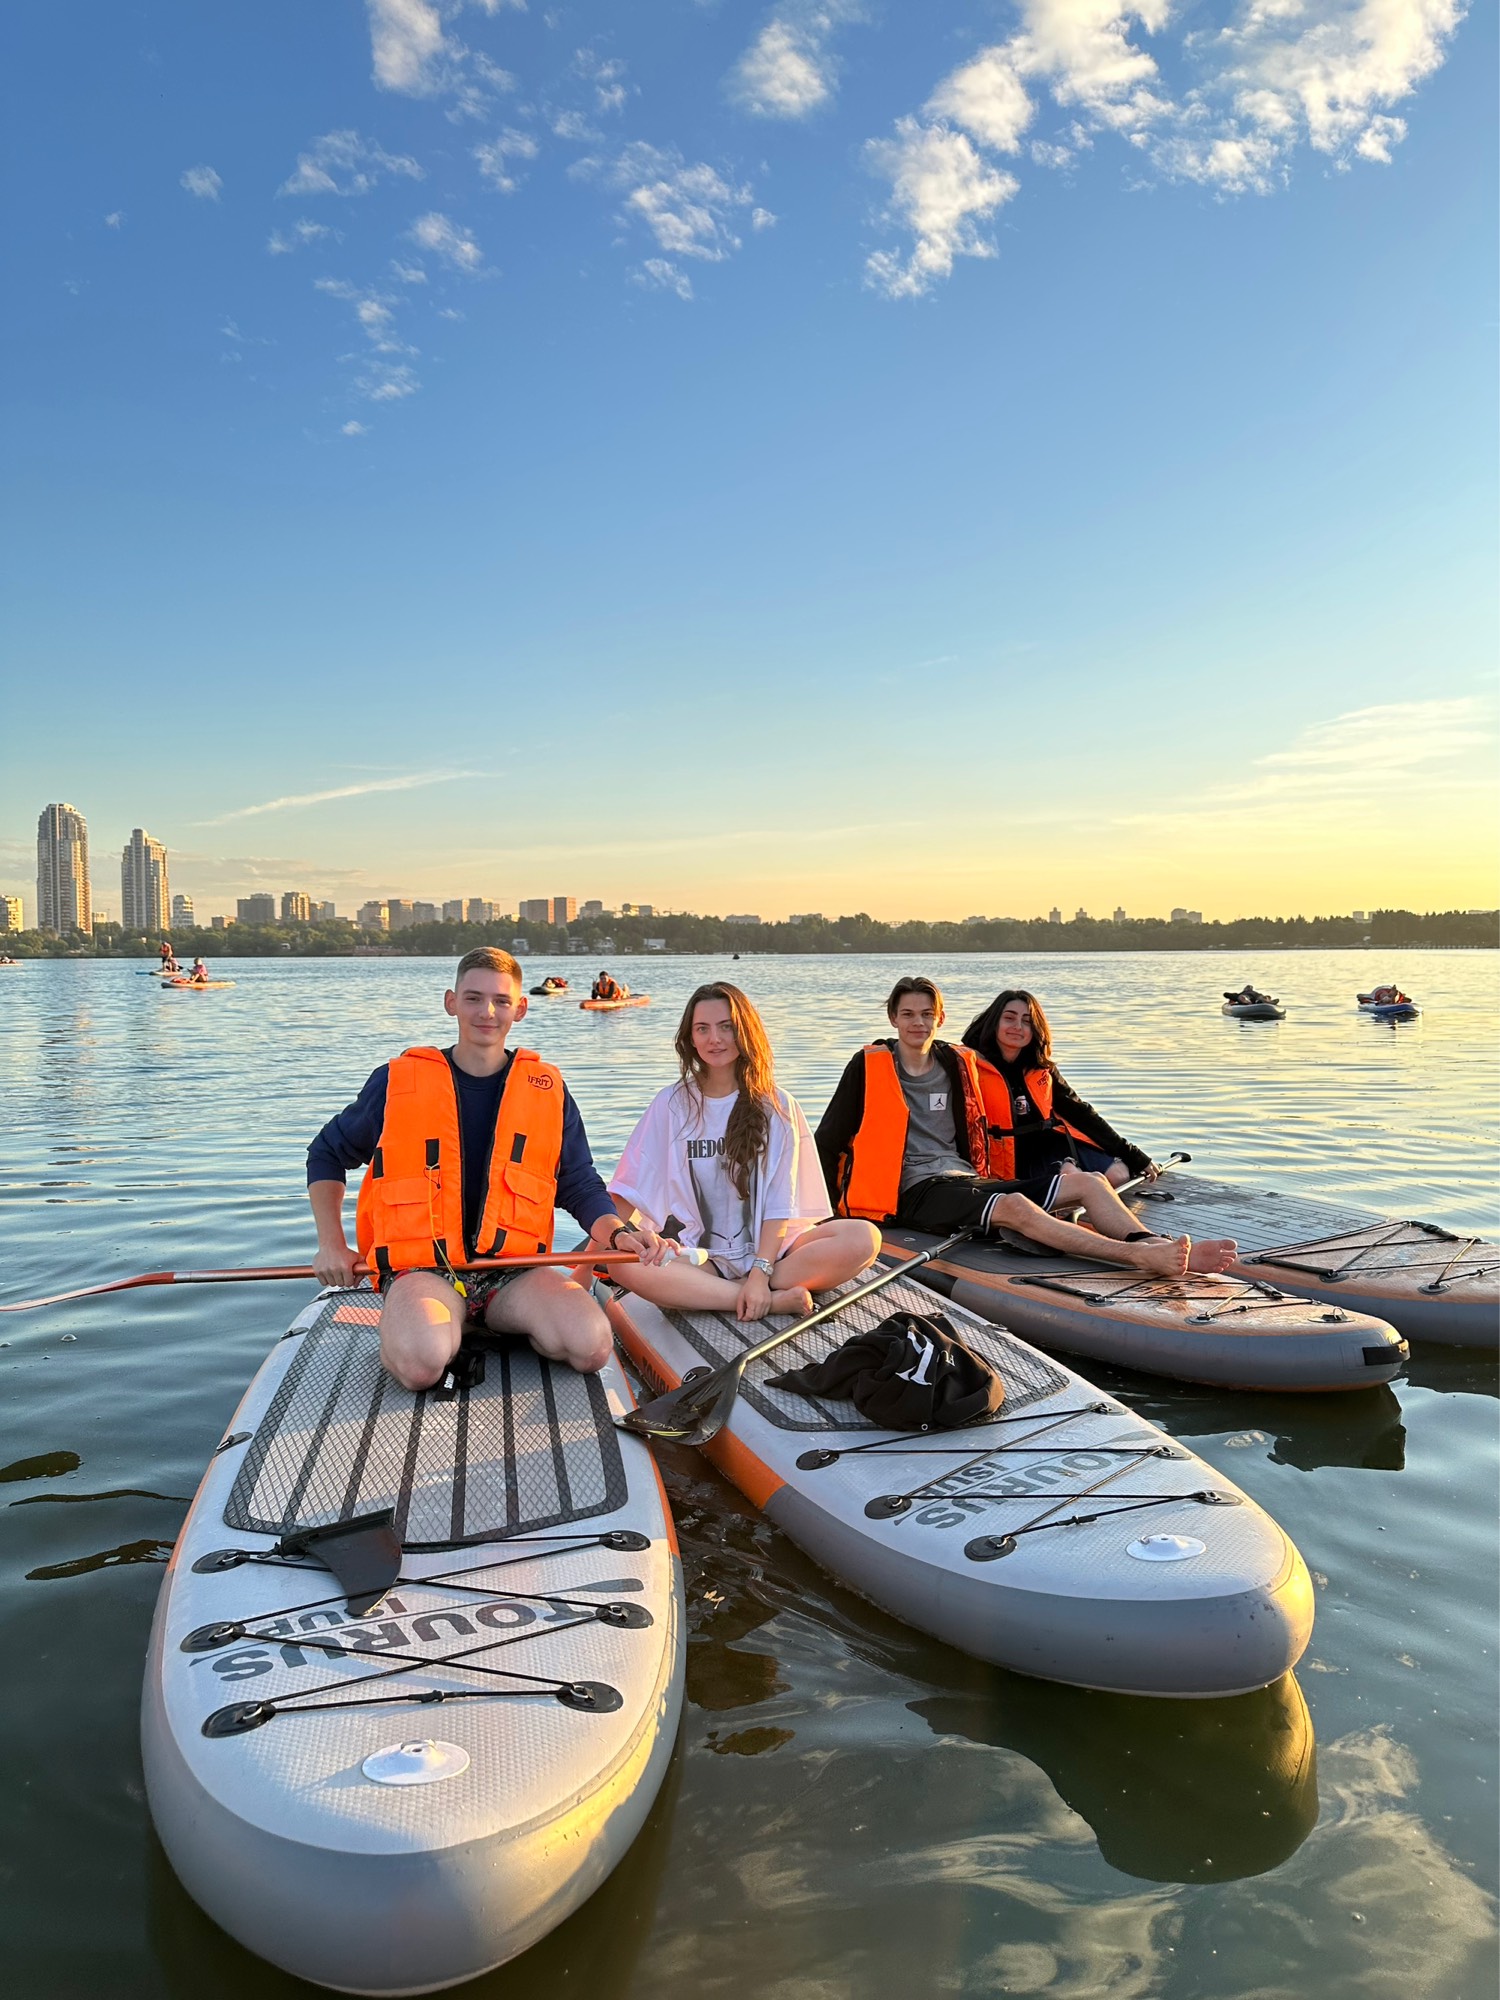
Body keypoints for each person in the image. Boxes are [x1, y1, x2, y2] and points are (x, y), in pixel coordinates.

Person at [307, 946, 659, 1390]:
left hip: (513, 1272)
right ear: (451, 1002)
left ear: (521, 1008)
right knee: (422, 1365)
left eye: (501, 1001)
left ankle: (474, 1325)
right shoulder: (397, 1081)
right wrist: (331, 1245)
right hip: (424, 1271)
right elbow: (326, 1153)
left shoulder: (547, 1089)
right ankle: (426, 1327)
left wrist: (619, 1232)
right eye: (473, 998)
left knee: (591, 1346)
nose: (487, 1012)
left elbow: (577, 1181)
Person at [816, 976, 1236, 1279]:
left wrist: (1130, 1153)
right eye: (907, 1014)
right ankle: (1141, 1259)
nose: (917, 1023)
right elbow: (828, 1139)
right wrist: (820, 1214)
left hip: (966, 1177)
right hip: (912, 1189)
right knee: (1017, 1209)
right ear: (893, 1017)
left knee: (1091, 1182)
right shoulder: (869, 1067)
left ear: (940, 1018)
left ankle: (1151, 1244)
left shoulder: (957, 1063)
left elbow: (1065, 1104)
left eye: (927, 1014)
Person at [608, 982, 880, 1321]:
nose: (715, 1039)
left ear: (745, 1031)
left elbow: (781, 1201)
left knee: (863, 1237)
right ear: (690, 1038)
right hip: (701, 1260)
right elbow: (628, 1188)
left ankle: (740, 1291)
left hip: (778, 1256)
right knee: (620, 1264)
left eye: (727, 1027)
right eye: (702, 1028)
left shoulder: (776, 1105)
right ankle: (765, 1299)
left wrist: (760, 1272)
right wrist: (584, 1269)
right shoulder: (672, 1104)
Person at [960, 987, 1152, 1189]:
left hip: (1051, 1146)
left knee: (1119, 1175)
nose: (1018, 1026)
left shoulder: (1041, 1068)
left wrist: (1134, 1155)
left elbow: (1080, 1112)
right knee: (1073, 1179)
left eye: (1027, 1021)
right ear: (994, 1022)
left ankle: (1086, 1202)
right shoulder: (969, 1067)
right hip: (1009, 1157)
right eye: (1009, 1018)